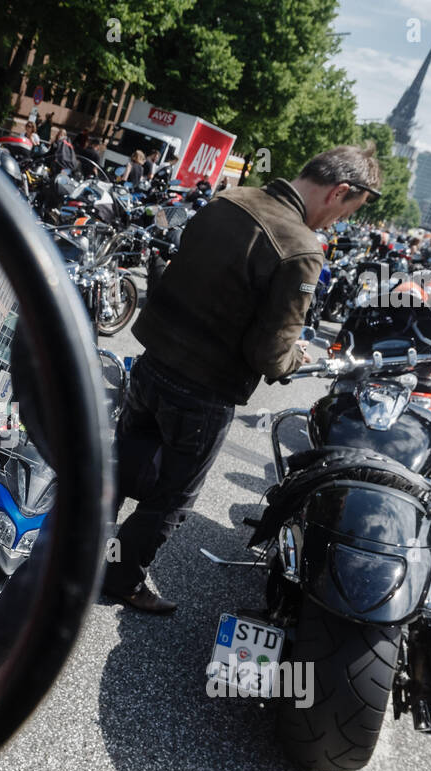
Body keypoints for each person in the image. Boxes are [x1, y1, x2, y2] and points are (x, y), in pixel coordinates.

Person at [104, 142, 382, 612]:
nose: (337, 225)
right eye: (345, 212)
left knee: (121, 467)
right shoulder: (301, 250)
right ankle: (121, 579)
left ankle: (77, 549)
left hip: (151, 361)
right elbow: (270, 353)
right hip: (204, 389)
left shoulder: (229, 199)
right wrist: (297, 358)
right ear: (339, 191)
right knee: (171, 498)